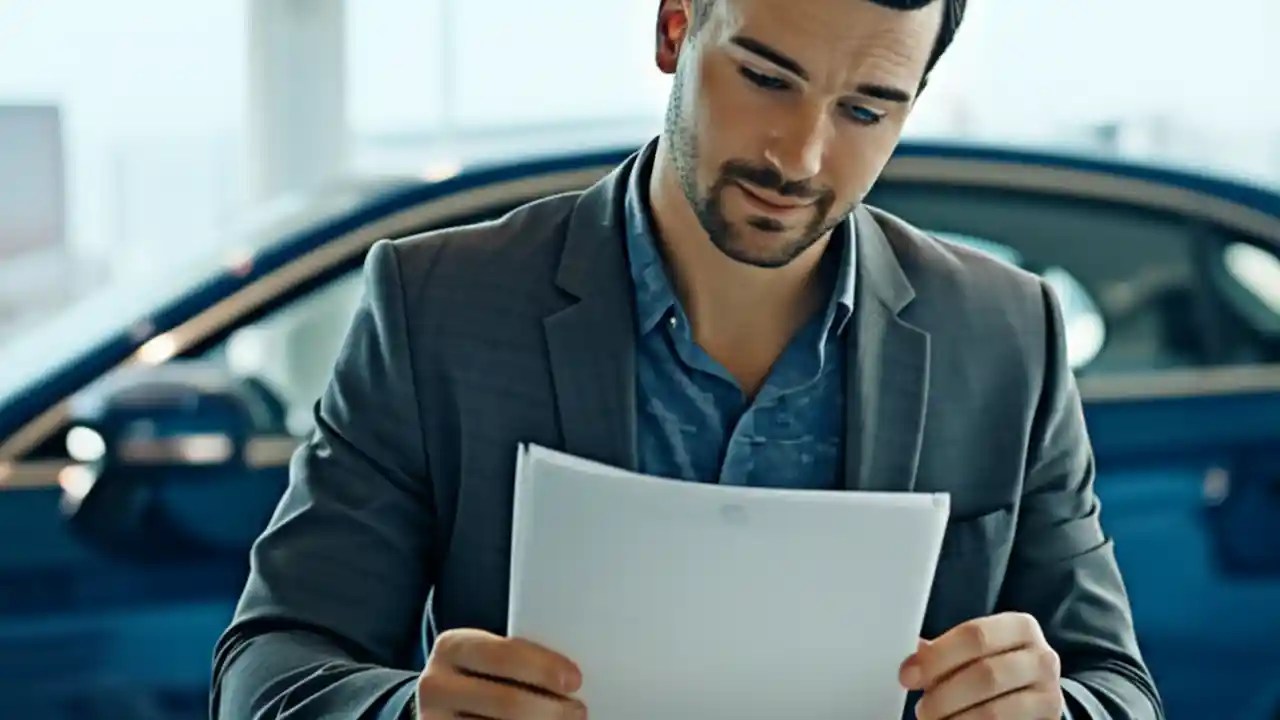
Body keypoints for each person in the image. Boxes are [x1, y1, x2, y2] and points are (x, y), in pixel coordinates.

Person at [211, 0, 1165, 718]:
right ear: (675, 27)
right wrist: (407, 710)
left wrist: (1056, 708)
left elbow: (1117, 685)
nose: (800, 155)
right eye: (764, 76)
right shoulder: (441, 306)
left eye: (867, 110)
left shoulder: (1005, 334)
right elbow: (269, 665)